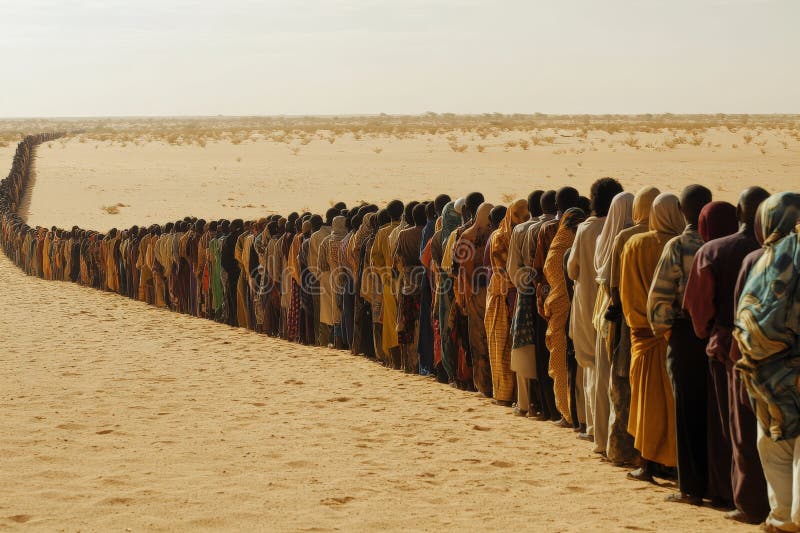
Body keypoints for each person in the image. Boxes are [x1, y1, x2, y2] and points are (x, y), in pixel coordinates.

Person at [684, 188, 771, 522]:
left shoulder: (714, 250)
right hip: (776, 351)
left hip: (730, 349)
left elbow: (698, 307)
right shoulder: (777, 253)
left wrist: (708, 333)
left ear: (739, 211)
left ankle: (747, 501)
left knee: (738, 427)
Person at [733, 192, 800, 532]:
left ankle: (784, 517)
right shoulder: (785, 257)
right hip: (785, 375)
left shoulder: (762, 260)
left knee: (775, 446)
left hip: (764, 375)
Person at [646, 185, 713, 498]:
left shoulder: (678, 246)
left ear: (682, 212)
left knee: (687, 414)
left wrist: (668, 332)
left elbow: (658, 303)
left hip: (685, 337)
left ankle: (691, 489)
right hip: (719, 337)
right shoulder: (720, 243)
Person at [620, 192, 685, 482]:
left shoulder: (635, 244)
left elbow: (626, 291)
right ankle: (672, 461)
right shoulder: (683, 246)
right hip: (675, 335)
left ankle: (647, 464)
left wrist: (638, 320)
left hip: (643, 334)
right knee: (672, 402)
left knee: (645, 401)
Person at [605, 186, 660, 465]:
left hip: (631, 325)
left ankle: (626, 452)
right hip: (665, 329)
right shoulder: (672, 238)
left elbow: (614, 286)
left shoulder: (626, 237)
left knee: (625, 385)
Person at [568, 177, 624, 446]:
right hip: (613, 308)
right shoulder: (624, 228)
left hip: (588, 302)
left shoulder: (586, 229)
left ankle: (593, 427)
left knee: (591, 367)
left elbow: (572, 268)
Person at [535, 186, 580, 427]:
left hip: (559, 303)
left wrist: (544, 300)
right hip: (587, 307)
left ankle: (567, 411)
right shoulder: (594, 231)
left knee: (561, 359)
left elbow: (545, 269)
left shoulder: (553, 233)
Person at [592, 191, 634, 453]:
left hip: (607, 310)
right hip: (630, 318)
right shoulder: (638, 237)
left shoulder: (605, 238)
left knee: (603, 377)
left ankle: (603, 440)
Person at [486, 199, 529, 406]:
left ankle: (511, 395)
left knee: (510, 344)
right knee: (503, 345)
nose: (521, 220)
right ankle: (505, 393)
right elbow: (500, 268)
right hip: (505, 296)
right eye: (517, 215)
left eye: (524, 216)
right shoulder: (501, 237)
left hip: (514, 293)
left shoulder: (519, 234)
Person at [508, 190, 545, 416]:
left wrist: (526, 286)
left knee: (523, 348)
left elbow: (513, 269)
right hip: (552, 295)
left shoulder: (520, 230)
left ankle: (524, 403)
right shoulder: (557, 226)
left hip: (526, 295)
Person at [456, 201, 494, 394]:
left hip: (476, 292)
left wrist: (466, 295)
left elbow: (464, 269)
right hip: (492, 290)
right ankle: (495, 384)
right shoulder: (494, 234)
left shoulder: (466, 236)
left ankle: (482, 383)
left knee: (478, 338)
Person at [394, 203, 427, 373]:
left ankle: (408, 364)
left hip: (408, 283)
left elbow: (397, 258)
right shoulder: (428, 232)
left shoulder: (403, 234)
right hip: (425, 283)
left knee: (406, 323)